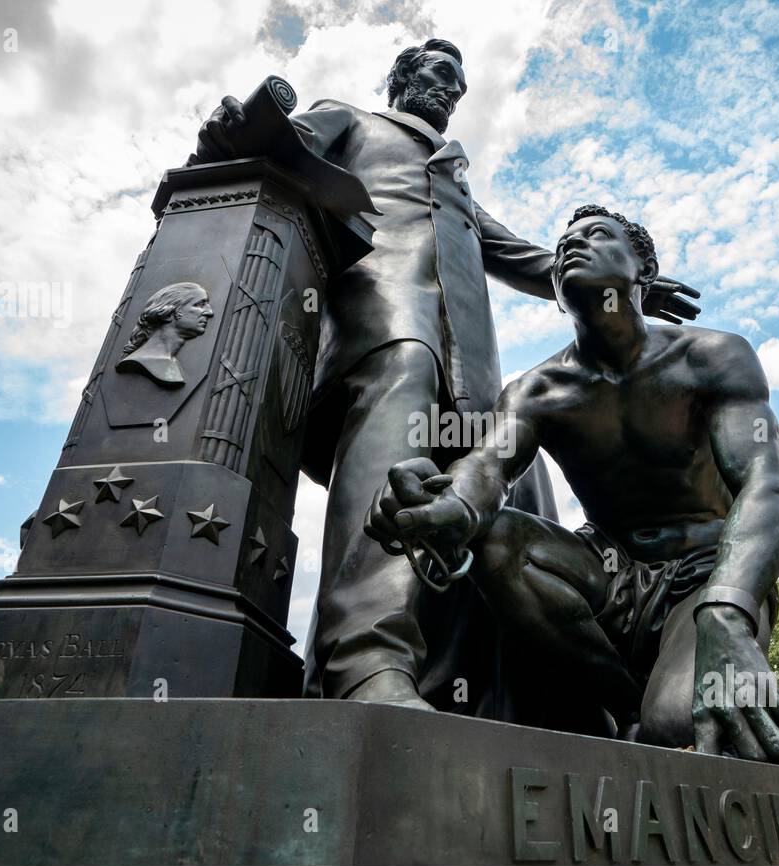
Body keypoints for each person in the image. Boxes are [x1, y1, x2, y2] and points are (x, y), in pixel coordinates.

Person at [188, 41, 700, 710]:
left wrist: (626, 285)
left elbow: (524, 256)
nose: (447, 91)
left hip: (469, 370)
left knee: (510, 475)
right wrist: (225, 134)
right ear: (400, 78)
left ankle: (531, 697)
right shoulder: (351, 122)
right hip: (383, 331)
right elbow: (270, 146)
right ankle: (363, 662)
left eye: (456, 84)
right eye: (436, 75)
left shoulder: (456, 183)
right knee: (406, 384)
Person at [366, 204, 779, 766]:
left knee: (679, 730)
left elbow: (766, 487)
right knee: (496, 539)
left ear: (643, 271)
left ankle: (658, 709)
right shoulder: (540, 388)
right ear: (554, 290)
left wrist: (729, 610)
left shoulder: (710, 356)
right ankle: (624, 710)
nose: (572, 246)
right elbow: (488, 468)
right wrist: (446, 504)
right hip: (608, 576)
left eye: (597, 236)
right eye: (562, 246)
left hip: (704, 571)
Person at [115, 282, 214, 387]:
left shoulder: (172, 363)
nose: (210, 312)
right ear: (168, 314)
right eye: (199, 304)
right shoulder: (140, 362)